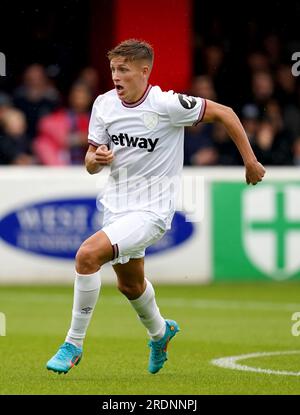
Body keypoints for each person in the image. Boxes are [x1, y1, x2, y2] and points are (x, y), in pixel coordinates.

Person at [46, 39, 265, 375]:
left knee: (87, 255)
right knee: (129, 285)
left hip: (152, 211)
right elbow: (90, 163)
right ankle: (161, 333)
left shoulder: (168, 104)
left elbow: (226, 113)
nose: (116, 77)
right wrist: (97, 159)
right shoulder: (104, 105)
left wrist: (250, 161)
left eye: (124, 70)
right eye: (113, 70)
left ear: (144, 71)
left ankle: (73, 344)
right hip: (116, 208)